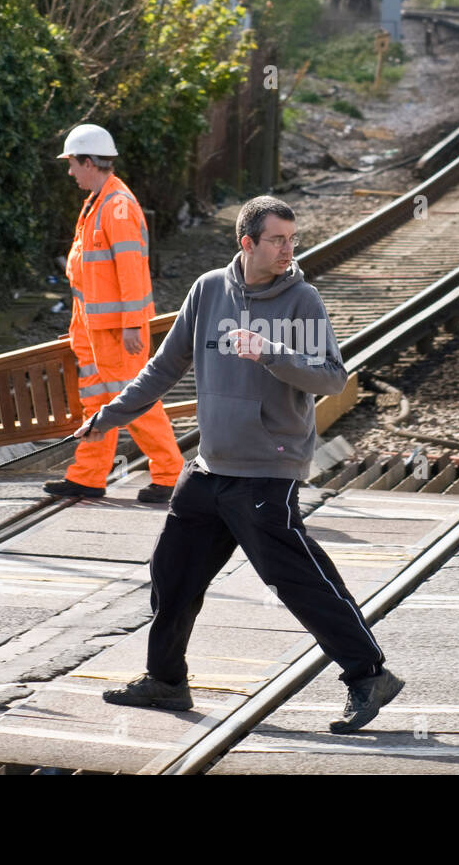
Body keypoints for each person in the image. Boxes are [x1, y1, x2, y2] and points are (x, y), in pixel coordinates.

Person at [75, 195, 404, 734]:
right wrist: (109, 416)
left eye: (291, 240)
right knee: (172, 574)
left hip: (267, 469)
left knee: (295, 579)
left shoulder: (302, 301)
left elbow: (330, 379)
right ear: (246, 242)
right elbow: (164, 367)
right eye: (277, 240)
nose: (288, 250)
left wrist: (272, 352)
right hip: (209, 468)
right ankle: (166, 681)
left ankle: (368, 676)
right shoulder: (209, 290)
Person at [42, 124, 183, 504]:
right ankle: (88, 476)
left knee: (135, 401)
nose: (70, 171)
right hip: (94, 330)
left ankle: (171, 476)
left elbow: (131, 271)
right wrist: (76, 329)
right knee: (97, 403)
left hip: (117, 330)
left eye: (72, 163)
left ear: (89, 162)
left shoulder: (115, 206)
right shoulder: (97, 202)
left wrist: (134, 325)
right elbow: (89, 276)